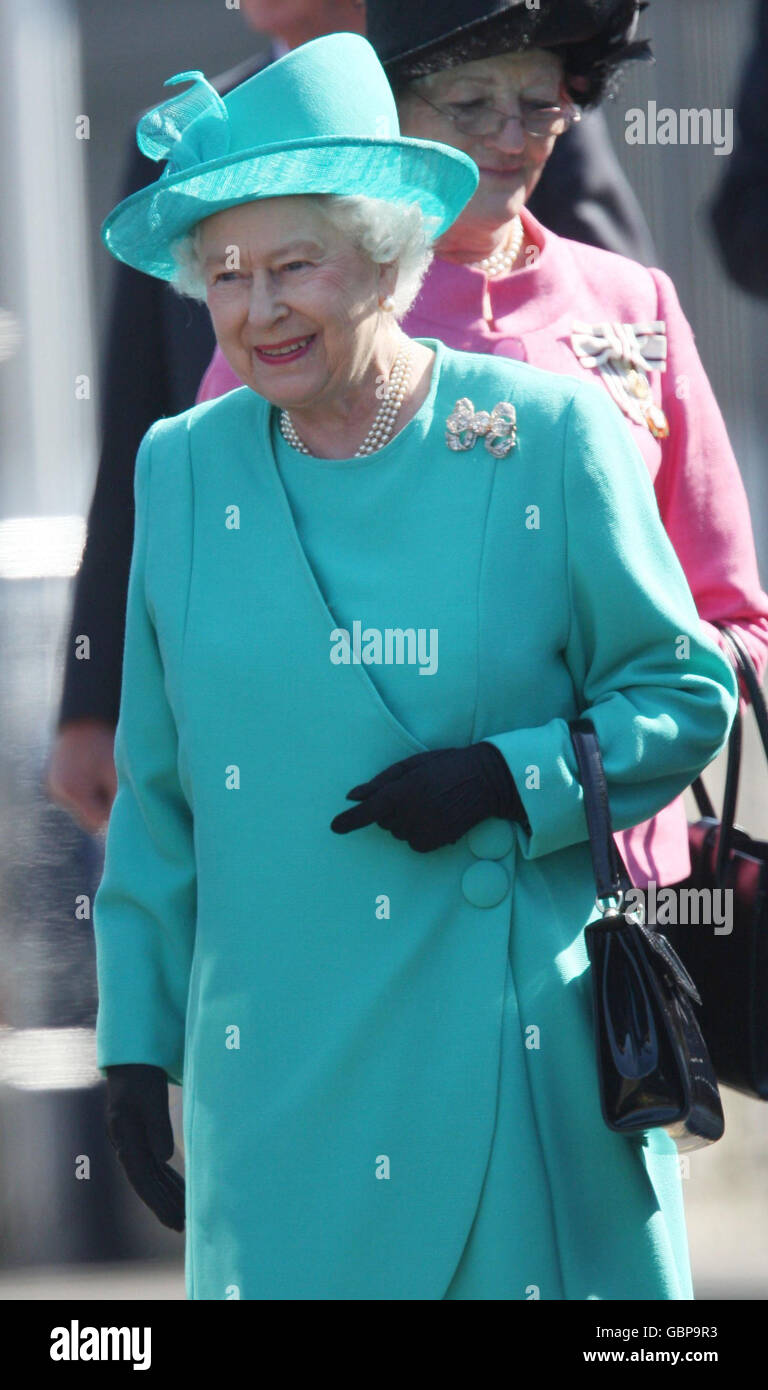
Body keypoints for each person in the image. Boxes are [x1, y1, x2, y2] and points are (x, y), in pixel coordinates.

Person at [94, 33, 738, 1301]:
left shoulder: (546, 437)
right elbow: (156, 791)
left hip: (507, 1052)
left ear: (385, 260)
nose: (259, 309)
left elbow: (682, 691)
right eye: (226, 275)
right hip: (273, 1073)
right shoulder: (182, 467)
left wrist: (512, 782)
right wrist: (134, 1042)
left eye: (295, 267)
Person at [46, 0, 658, 838]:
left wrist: (603, 689)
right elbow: (139, 434)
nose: (506, 136)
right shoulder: (200, 137)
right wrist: (92, 699)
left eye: (296, 264)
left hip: (529, 758)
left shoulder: (501, 89)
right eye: (231, 277)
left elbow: (609, 340)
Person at [199, 0, 768, 889]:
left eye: (540, 105)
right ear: (388, 114)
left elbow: (732, 622)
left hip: (607, 890)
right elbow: (222, 613)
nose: (512, 135)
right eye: (468, 106)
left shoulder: (634, 303)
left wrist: (566, 741)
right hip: (372, 865)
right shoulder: (306, 310)